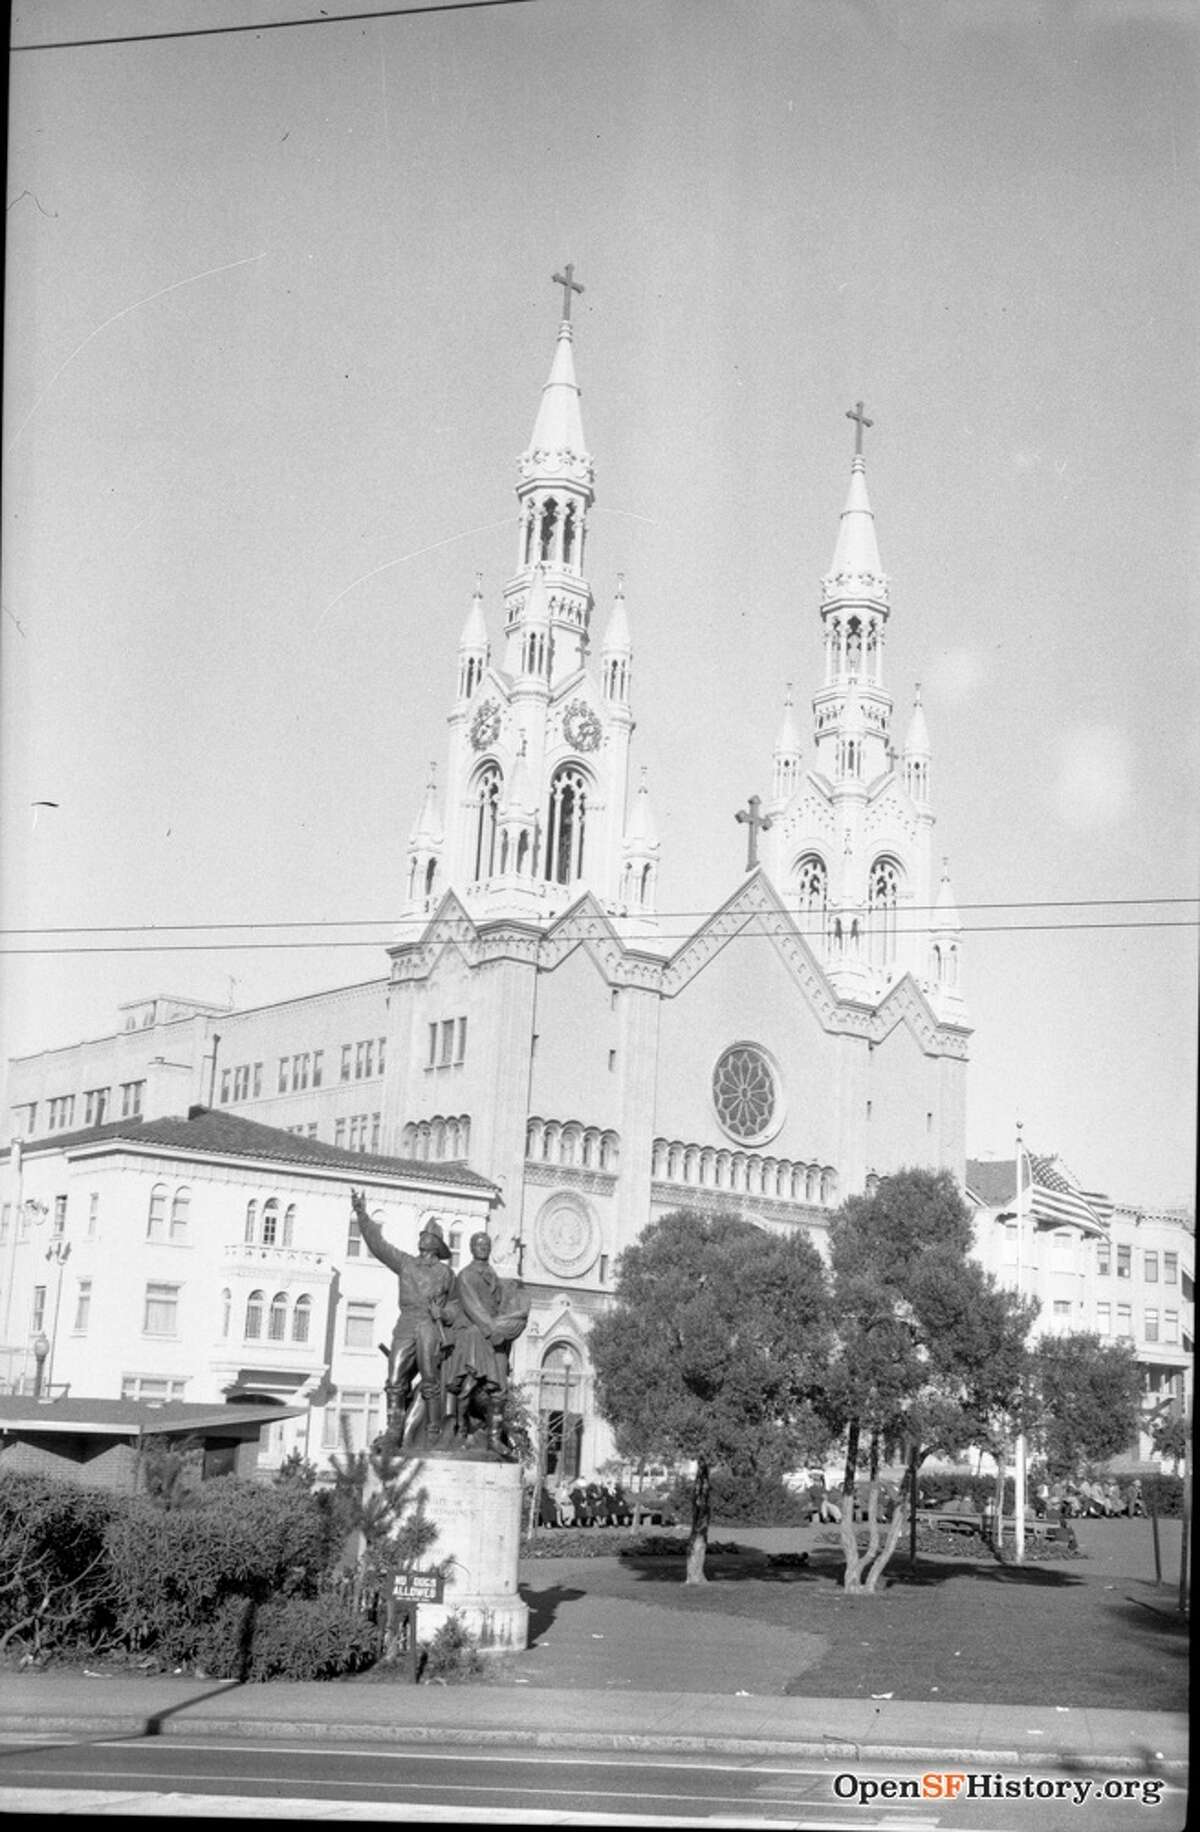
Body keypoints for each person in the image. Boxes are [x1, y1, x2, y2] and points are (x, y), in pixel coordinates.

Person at [350, 1190, 453, 1448]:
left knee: (430, 1378)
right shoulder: (406, 1263)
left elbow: (456, 1305)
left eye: (429, 1235)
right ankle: (394, 1431)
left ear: (437, 1246)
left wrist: (443, 1313)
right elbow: (379, 1246)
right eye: (423, 1234)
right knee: (395, 1378)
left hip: (429, 1325)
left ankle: (433, 1430)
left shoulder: (446, 1273)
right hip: (407, 1321)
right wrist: (362, 1215)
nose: (424, 1237)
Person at [442, 1231, 531, 1455]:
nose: (483, 1248)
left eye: (486, 1245)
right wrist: (492, 1330)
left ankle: (494, 1438)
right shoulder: (465, 1276)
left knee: (499, 1391)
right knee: (467, 1388)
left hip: (496, 1339)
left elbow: (500, 1304)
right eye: (479, 1244)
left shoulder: (493, 1274)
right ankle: (461, 1429)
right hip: (476, 1337)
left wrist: (512, 1317)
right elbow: (473, 1307)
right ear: (472, 1248)